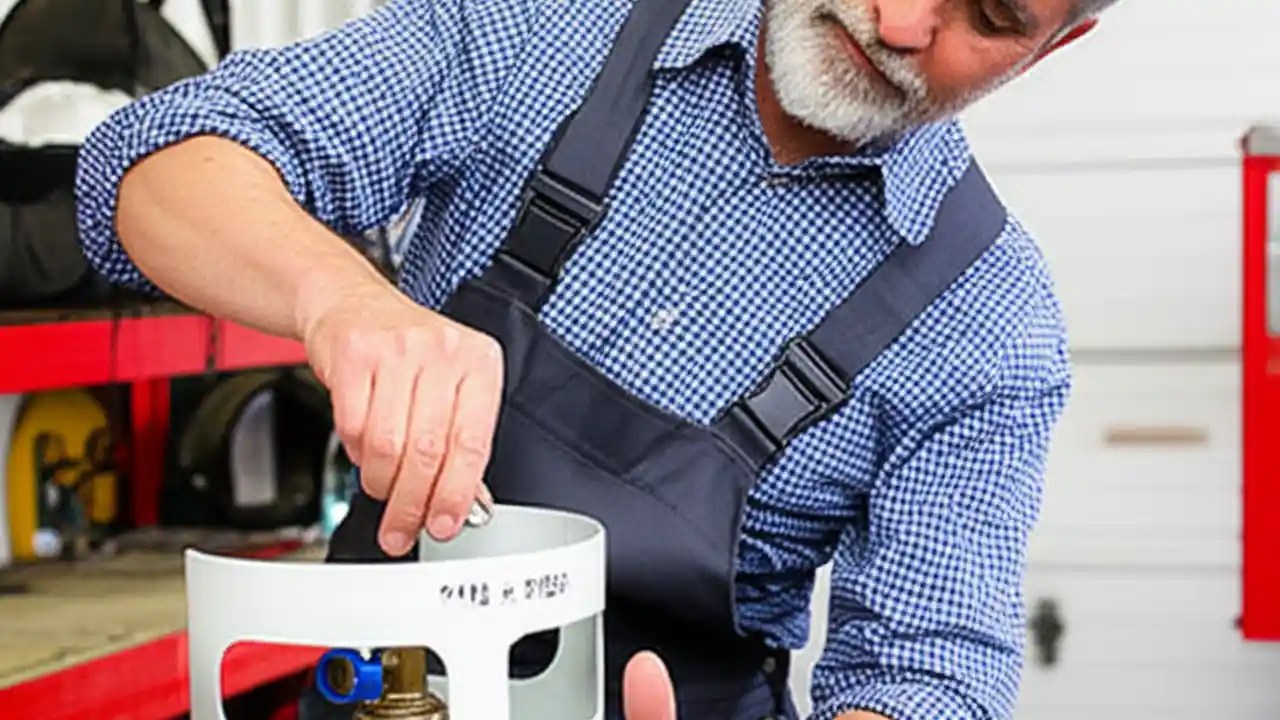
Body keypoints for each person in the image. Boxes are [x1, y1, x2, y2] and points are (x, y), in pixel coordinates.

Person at [74, 0, 1119, 717]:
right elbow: (155, 163)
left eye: (984, 16)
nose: (895, 21)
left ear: (1048, 48)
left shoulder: (988, 318)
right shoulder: (547, 26)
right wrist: (341, 300)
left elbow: (925, 675)